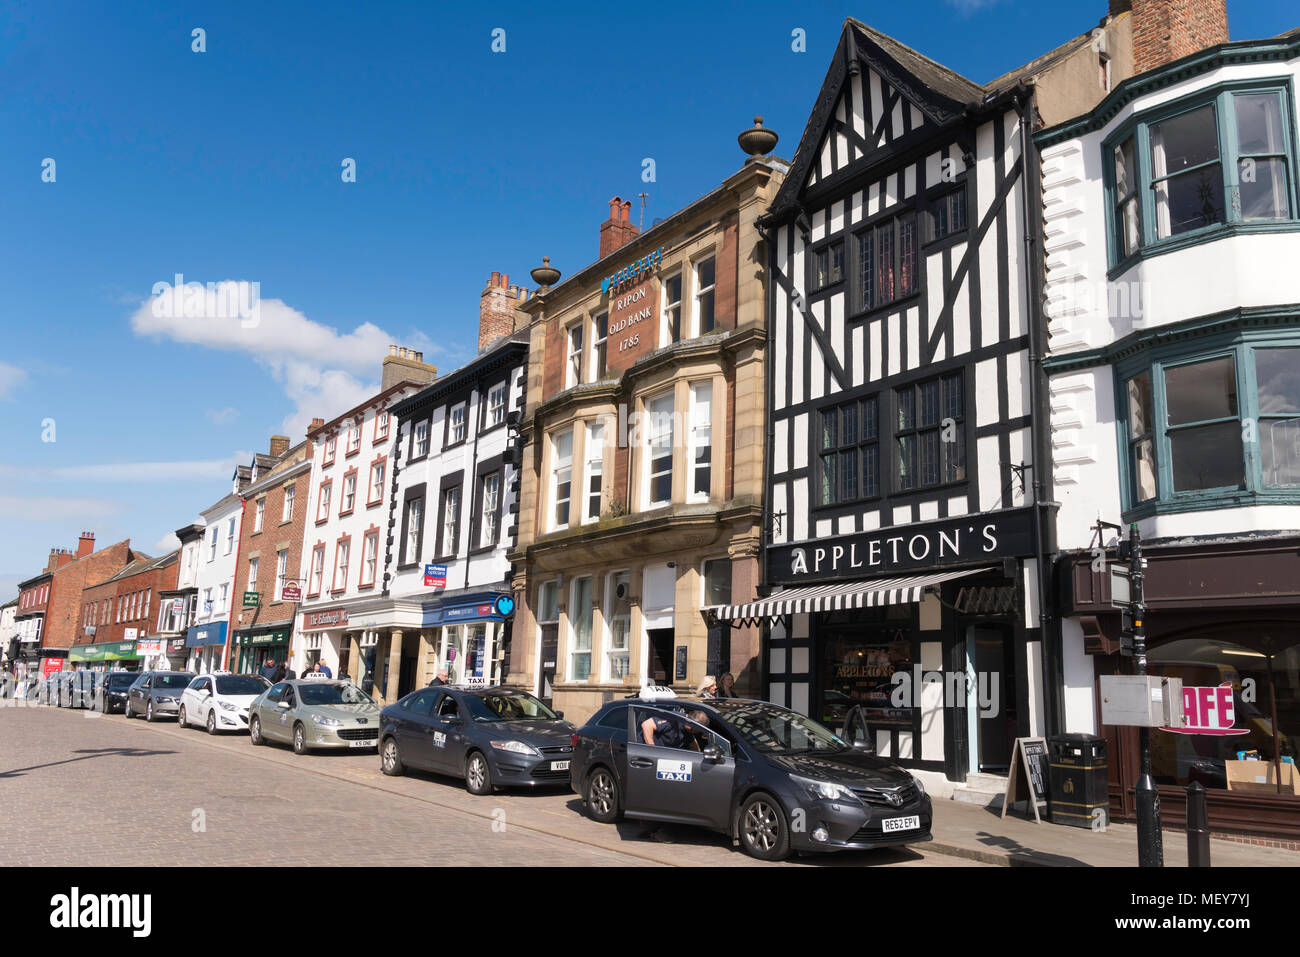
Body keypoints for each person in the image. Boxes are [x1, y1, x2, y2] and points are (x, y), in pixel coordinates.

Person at [641, 709, 710, 751]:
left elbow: (692, 742)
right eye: (694, 729)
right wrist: (652, 750)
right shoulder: (672, 718)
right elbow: (646, 725)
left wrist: (698, 757)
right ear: (689, 721)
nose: (695, 732)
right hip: (646, 753)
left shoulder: (687, 728)